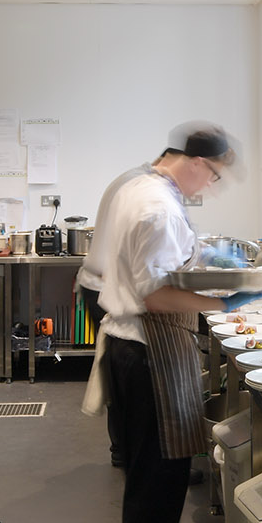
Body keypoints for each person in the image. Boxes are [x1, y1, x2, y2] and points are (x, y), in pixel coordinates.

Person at [86, 122, 262, 523]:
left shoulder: (145, 186)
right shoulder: (159, 207)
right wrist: (227, 302)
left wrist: (206, 259)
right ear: (194, 162)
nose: (210, 186)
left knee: (161, 472)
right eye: (213, 176)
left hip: (138, 346)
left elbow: (166, 265)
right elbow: (156, 295)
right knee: (156, 480)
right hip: (148, 350)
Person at [75, 162, 152, 467]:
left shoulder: (133, 180)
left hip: (97, 283)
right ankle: (131, 452)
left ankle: (123, 449)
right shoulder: (145, 190)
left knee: (118, 370)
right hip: (104, 286)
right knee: (126, 370)